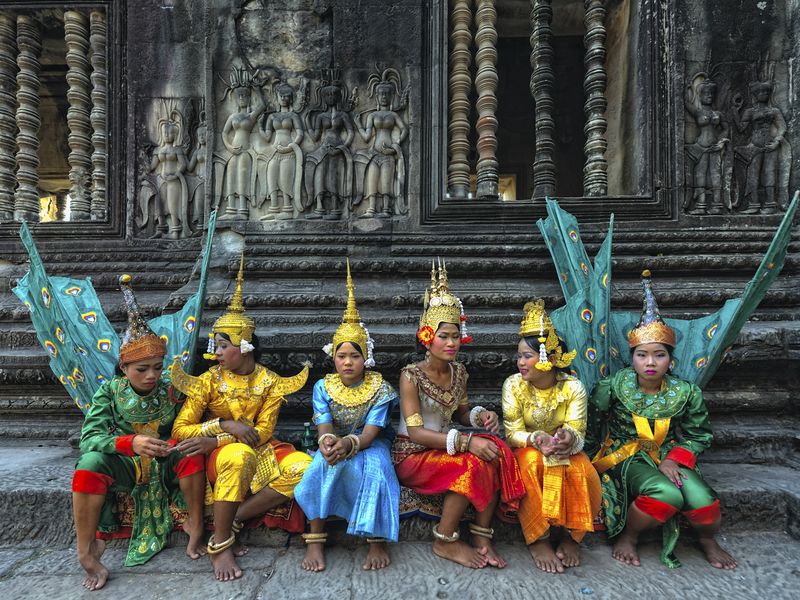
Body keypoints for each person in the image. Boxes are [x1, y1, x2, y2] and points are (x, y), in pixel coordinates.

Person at [171, 256, 311, 581]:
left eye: (222, 346)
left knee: (304, 468)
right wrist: (222, 426)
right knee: (238, 454)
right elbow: (180, 429)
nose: (216, 352)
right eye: (215, 345)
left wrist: (225, 435)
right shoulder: (208, 379)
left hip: (261, 447)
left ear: (244, 348)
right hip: (221, 454)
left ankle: (234, 519)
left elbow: (263, 431)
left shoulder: (270, 381)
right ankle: (220, 544)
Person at [587, 271, 737, 569]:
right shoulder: (615, 385)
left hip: (670, 456)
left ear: (671, 360)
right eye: (642, 355)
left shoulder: (685, 392)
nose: (650, 363)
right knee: (667, 495)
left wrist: (675, 460)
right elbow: (592, 418)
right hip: (627, 455)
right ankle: (629, 536)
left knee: (703, 499)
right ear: (632, 357)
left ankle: (707, 539)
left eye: (659, 355)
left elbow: (698, 435)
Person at [71, 275, 206, 591]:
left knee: (191, 450)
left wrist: (177, 442)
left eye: (157, 367)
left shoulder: (171, 390)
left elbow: (193, 422)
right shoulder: (110, 393)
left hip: (166, 462)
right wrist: (129, 442)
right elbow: (89, 438)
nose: (151, 376)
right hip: (127, 464)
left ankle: (197, 527)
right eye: (141, 369)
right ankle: (86, 553)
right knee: (89, 463)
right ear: (123, 368)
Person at [393, 260, 524, 569]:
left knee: (497, 452)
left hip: (443, 445)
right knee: (472, 463)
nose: (451, 343)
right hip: (412, 454)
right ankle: (445, 540)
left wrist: (481, 417)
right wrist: (467, 443)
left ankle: (481, 536)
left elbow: (462, 414)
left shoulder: (459, 372)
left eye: (455, 336)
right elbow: (415, 433)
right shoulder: (410, 376)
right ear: (427, 337)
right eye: (444, 336)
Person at [295, 260, 400, 572]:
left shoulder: (380, 387)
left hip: (371, 442)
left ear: (366, 358)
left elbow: (370, 433)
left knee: (379, 470)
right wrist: (328, 441)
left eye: (355, 356)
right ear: (333, 357)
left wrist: (349, 443)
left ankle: (376, 539)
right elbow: (323, 423)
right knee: (319, 466)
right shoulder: (322, 386)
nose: (348, 362)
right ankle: (315, 538)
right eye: (342, 356)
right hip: (336, 441)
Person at [501, 300, 602, 573]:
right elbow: (512, 434)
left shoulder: (572, 387)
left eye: (526, 356)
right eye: (519, 356)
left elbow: (577, 431)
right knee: (531, 463)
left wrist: (568, 439)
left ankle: (573, 537)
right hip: (528, 448)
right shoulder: (513, 385)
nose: (520, 362)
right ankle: (539, 538)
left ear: (547, 357)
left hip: (562, 449)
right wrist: (535, 439)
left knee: (584, 470)